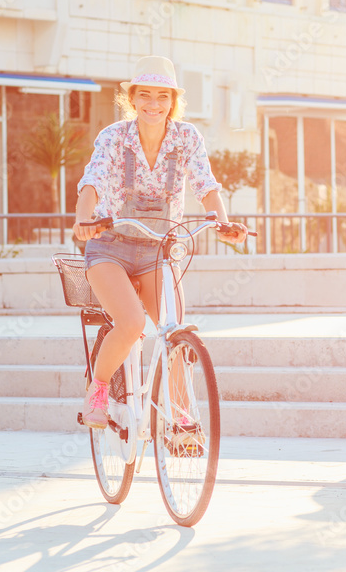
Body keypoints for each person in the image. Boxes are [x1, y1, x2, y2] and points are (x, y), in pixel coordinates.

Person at [73, 55, 247, 429]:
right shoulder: (114, 137)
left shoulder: (187, 138)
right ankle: (98, 389)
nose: (154, 104)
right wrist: (83, 219)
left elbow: (206, 184)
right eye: (146, 95)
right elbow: (94, 180)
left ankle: (182, 417)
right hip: (109, 247)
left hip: (159, 250)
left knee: (174, 331)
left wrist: (224, 222)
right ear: (132, 98)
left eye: (163, 96)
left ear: (173, 101)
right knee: (133, 322)